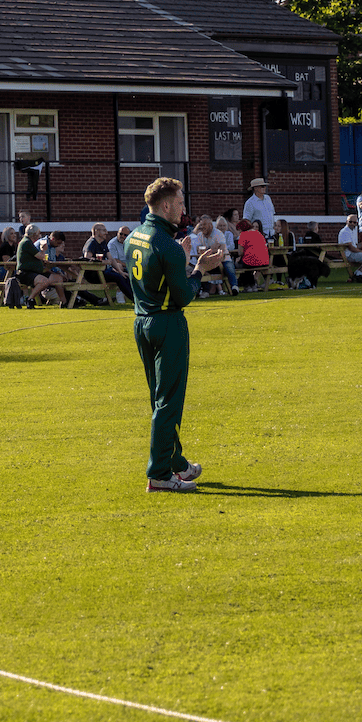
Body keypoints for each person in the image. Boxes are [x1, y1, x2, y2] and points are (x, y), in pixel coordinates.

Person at [124, 176, 223, 493]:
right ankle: (158, 474)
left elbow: (153, 276)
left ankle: (176, 463)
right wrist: (199, 270)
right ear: (166, 205)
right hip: (167, 324)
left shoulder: (133, 236)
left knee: (159, 399)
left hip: (142, 321)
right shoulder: (168, 245)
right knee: (168, 402)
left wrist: (181, 260)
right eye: (180, 202)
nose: (184, 208)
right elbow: (183, 296)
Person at [15, 223, 64, 306]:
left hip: (34, 272)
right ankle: (30, 299)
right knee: (44, 281)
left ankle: (64, 302)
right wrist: (44, 250)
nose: (39, 235)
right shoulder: (26, 242)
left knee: (58, 278)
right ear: (34, 234)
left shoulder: (28, 242)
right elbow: (41, 256)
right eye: (38, 233)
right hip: (25, 273)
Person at [85, 222, 132, 304]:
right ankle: (135, 300)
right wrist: (104, 262)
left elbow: (111, 259)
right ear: (97, 231)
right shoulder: (91, 243)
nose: (106, 232)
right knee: (119, 278)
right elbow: (87, 259)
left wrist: (120, 272)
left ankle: (137, 299)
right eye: (104, 230)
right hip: (94, 274)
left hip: (102, 271)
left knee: (125, 276)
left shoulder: (103, 243)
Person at [336, 212, 362, 283]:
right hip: (348, 255)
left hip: (352, 253)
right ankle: (359, 273)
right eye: (350, 222)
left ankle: (360, 274)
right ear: (346, 221)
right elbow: (351, 248)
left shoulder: (352, 231)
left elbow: (355, 246)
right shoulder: (345, 232)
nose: (352, 224)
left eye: (354, 222)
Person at [234, 219, 272, 290]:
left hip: (251, 262)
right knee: (247, 265)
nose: (239, 232)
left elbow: (240, 252)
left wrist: (239, 257)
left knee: (239, 264)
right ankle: (252, 285)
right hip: (264, 261)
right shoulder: (258, 233)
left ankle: (248, 286)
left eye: (239, 230)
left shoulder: (243, 234)